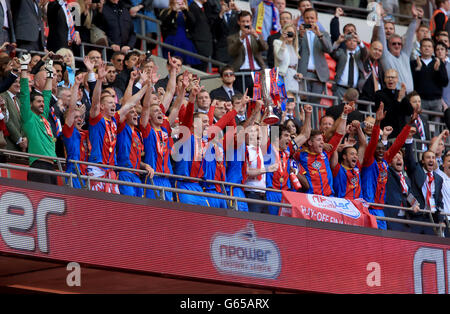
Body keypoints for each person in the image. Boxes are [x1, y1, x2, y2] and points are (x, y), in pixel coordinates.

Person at [361, 102, 414, 230]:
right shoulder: (369, 161)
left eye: (382, 149)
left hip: (380, 209)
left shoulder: (385, 160)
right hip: (368, 208)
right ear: (373, 151)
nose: (380, 151)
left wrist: (409, 124)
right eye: (377, 149)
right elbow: (373, 142)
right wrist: (377, 123)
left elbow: (397, 144)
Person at [19, 54, 57, 185]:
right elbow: (24, 93)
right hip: (39, 165)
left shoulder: (43, 117)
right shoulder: (29, 117)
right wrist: (24, 68)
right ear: (30, 105)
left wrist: (50, 75)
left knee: (53, 203)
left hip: (51, 166)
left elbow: (47, 94)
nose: (42, 104)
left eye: (43, 102)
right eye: (38, 102)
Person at [297, 104, 350, 196]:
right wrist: (307, 115)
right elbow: (302, 136)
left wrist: (345, 114)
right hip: (311, 198)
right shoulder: (300, 155)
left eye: (322, 140)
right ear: (310, 142)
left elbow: (339, 134)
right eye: (319, 140)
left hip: (328, 198)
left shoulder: (326, 152)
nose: (322, 142)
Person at [404, 140, 445, 235]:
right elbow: (409, 158)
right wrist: (409, 141)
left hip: (431, 218)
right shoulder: (416, 171)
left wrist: (441, 220)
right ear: (423, 161)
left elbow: (439, 201)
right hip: (417, 216)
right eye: (428, 158)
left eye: (433, 158)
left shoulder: (439, 179)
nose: (431, 160)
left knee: (430, 248)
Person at [378, 5, 421, 93]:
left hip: (410, 97)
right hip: (395, 97)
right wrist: (380, 19)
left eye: (399, 44)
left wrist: (414, 19)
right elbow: (381, 36)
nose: (397, 45)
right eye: (394, 43)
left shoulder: (405, 55)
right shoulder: (386, 56)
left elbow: (410, 36)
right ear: (388, 45)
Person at [227, 10, 268, 98]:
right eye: (243, 21)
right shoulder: (232, 38)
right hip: (241, 73)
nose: (245, 24)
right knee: (243, 99)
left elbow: (265, 48)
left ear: (251, 22)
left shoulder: (257, 35)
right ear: (239, 22)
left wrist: (256, 36)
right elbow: (232, 52)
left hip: (257, 72)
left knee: (257, 99)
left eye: (247, 21)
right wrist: (241, 38)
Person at [297, 8, 332, 103]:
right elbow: (295, 50)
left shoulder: (324, 34)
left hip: (319, 74)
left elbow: (329, 49)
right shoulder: (299, 33)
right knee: (303, 103)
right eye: (307, 18)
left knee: (315, 104)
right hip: (303, 73)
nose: (310, 20)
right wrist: (300, 36)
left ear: (316, 19)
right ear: (303, 19)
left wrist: (319, 34)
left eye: (312, 18)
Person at [411, 38, 449, 124]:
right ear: (420, 49)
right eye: (424, 46)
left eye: (429, 46)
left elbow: (445, 82)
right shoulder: (414, 63)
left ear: (432, 49)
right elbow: (412, 82)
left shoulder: (438, 62)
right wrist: (418, 69)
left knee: (436, 127)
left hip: (436, 101)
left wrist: (437, 70)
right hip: (421, 100)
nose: (427, 48)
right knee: (423, 125)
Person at [62, 73, 90, 189]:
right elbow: (71, 109)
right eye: (76, 117)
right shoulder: (69, 131)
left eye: (81, 117)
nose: (79, 119)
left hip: (86, 175)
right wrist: (76, 85)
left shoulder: (84, 134)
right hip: (73, 174)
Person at [159, 0, 202, 68]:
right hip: (172, 40)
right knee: (173, 62)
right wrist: (173, 11)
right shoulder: (166, 11)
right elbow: (165, 25)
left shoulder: (188, 12)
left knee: (188, 63)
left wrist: (185, 11)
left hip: (186, 41)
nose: (179, 2)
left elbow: (193, 23)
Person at [374, 68, 412, 139]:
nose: (390, 79)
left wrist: (404, 98)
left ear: (397, 79)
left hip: (400, 133)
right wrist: (399, 100)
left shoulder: (400, 93)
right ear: (384, 79)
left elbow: (409, 112)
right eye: (388, 77)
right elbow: (387, 113)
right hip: (386, 133)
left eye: (393, 77)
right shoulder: (379, 94)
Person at [331, 32, 367, 100]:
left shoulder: (359, 55)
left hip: (354, 90)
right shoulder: (341, 52)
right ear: (345, 42)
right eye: (349, 40)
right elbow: (332, 52)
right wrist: (338, 42)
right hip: (340, 88)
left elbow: (365, 53)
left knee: (351, 110)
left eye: (354, 40)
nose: (352, 42)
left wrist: (360, 42)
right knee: (338, 108)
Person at [273, 23, 302, 95]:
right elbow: (280, 57)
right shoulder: (278, 43)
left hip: (293, 77)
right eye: (288, 32)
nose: (290, 34)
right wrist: (284, 41)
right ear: (284, 33)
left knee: (293, 99)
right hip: (283, 75)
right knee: (284, 98)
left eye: (292, 33)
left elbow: (294, 65)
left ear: (295, 35)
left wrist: (298, 74)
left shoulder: (295, 47)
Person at [1, 77, 27, 152]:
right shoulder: (2, 96)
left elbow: (23, 121)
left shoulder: (17, 100)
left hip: (20, 146)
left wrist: (25, 138)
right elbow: (7, 120)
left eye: (19, 82)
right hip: (9, 145)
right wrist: (19, 139)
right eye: (15, 82)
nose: (18, 85)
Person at [188, 0, 215, 72]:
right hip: (198, 45)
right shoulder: (192, 7)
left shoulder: (205, 7)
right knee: (198, 72)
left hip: (205, 45)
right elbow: (192, 24)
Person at [212, 0, 240, 64]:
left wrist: (237, 9)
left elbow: (246, 23)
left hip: (235, 49)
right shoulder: (218, 14)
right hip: (222, 51)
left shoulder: (237, 14)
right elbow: (214, 29)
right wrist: (221, 13)